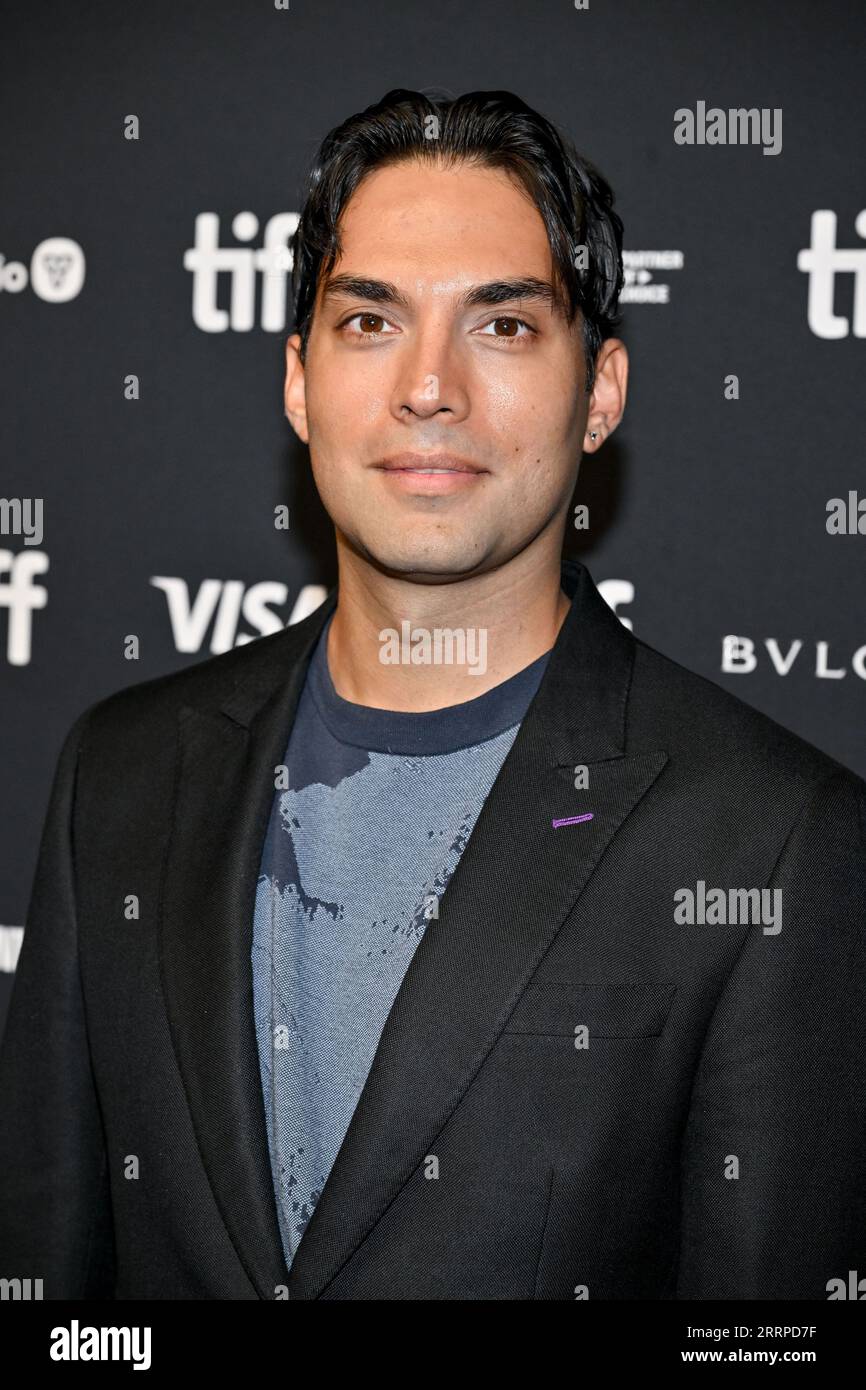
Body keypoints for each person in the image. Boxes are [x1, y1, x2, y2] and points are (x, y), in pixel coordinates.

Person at [1, 88, 864, 1301]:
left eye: (501, 326)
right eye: (368, 321)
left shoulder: (770, 841)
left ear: (600, 390)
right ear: (299, 382)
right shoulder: (122, 774)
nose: (428, 387)